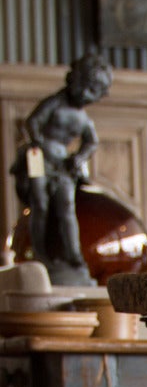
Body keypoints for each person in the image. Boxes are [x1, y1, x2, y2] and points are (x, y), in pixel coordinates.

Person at [10, 51, 113, 284]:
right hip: (39, 159)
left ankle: (73, 256)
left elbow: (91, 141)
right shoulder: (55, 103)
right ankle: (41, 255)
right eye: (86, 88)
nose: (87, 96)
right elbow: (33, 123)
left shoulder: (84, 118)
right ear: (75, 80)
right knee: (40, 205)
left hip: (63, 165)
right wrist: (42, 146)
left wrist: (78, 157)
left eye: (94, 93)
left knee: (67, 207)